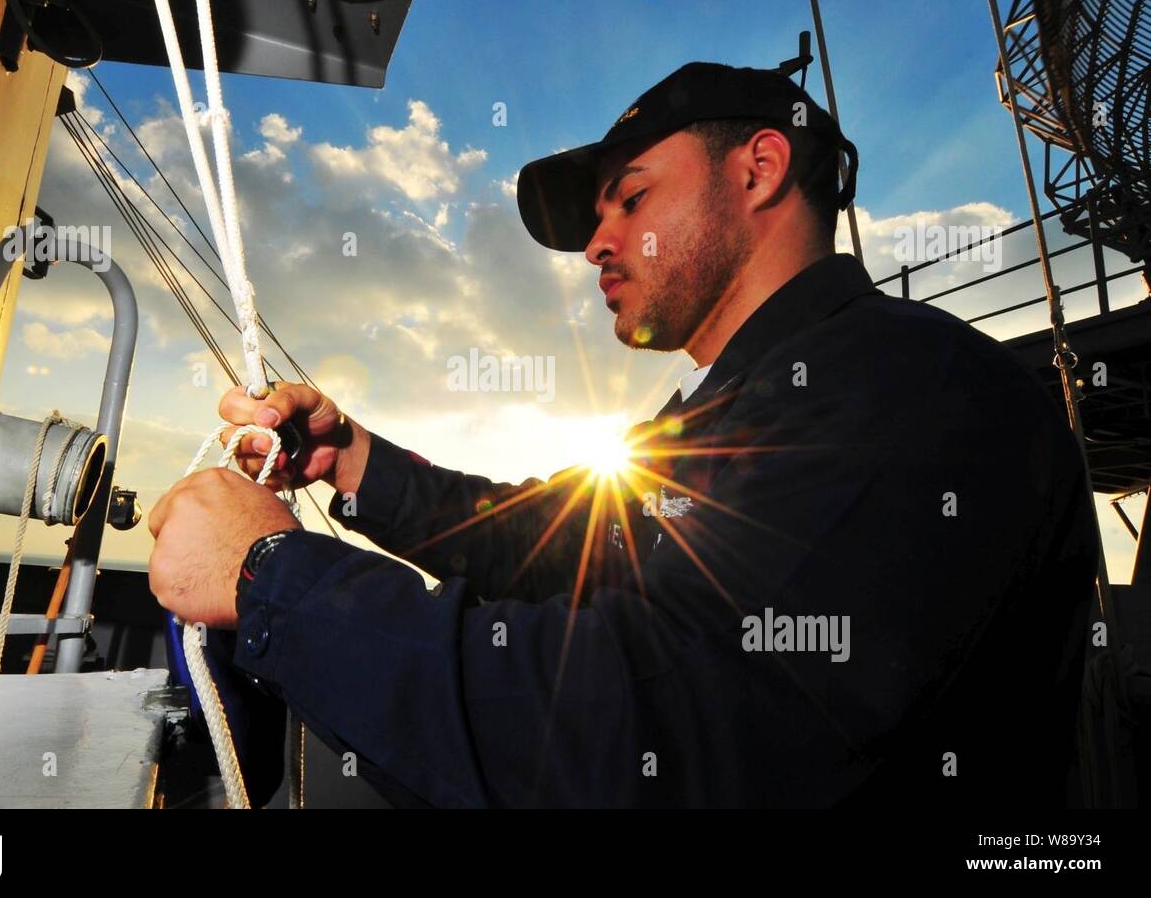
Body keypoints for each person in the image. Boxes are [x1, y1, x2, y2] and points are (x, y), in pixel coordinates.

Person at [147, 62, 1098, 807]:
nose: (597, 243)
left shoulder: (918, 393)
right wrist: (349, 457)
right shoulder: (731, 418)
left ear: (761, 168)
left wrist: (272, 578)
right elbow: (540, 536)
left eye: (631, 198)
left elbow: (657, 737)